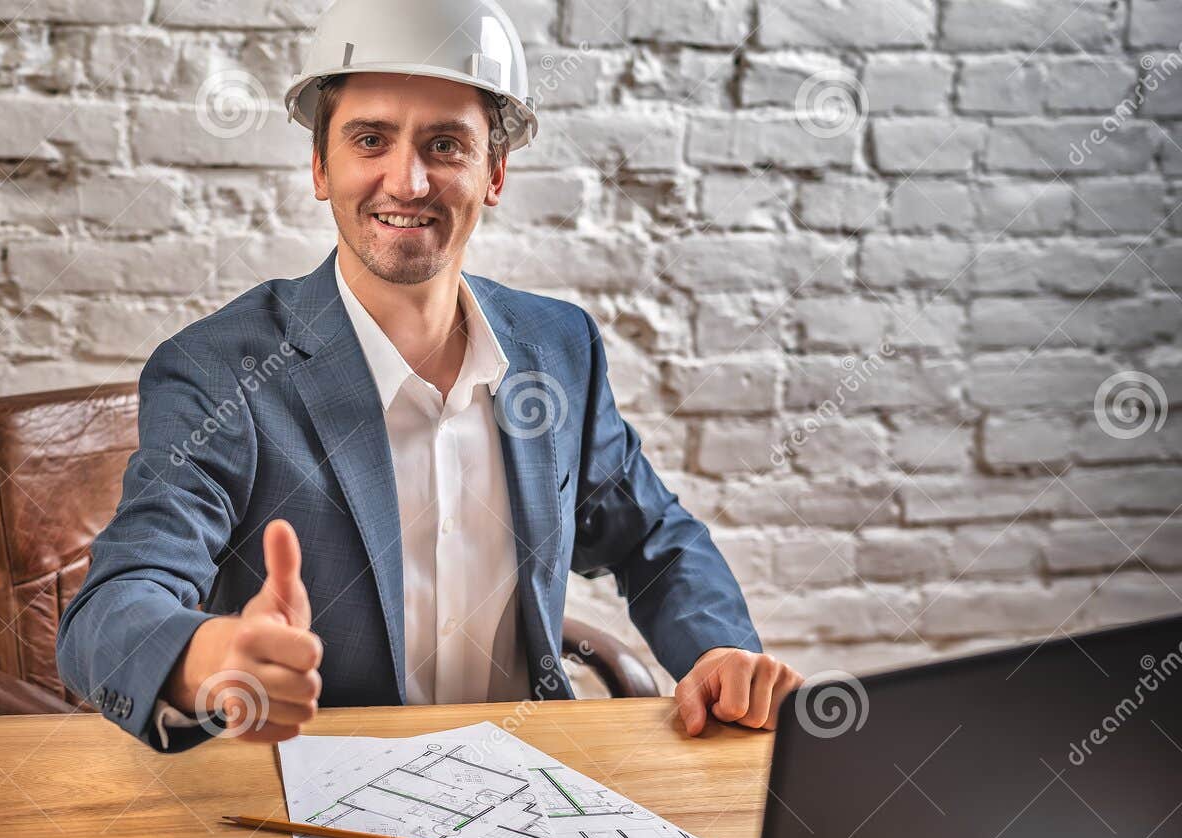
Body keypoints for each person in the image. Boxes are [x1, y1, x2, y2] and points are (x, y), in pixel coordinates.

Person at [57, 0, 803, 753]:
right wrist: (206, 658)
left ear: (495, 172)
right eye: (370, 139)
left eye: (445, 145)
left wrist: (715, 653)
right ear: (321, 166)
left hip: (537, 789)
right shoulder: (223, 373)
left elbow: (655, 540)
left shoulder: (559, 347)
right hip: (314, 801)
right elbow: (111, 609)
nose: (407, 182)